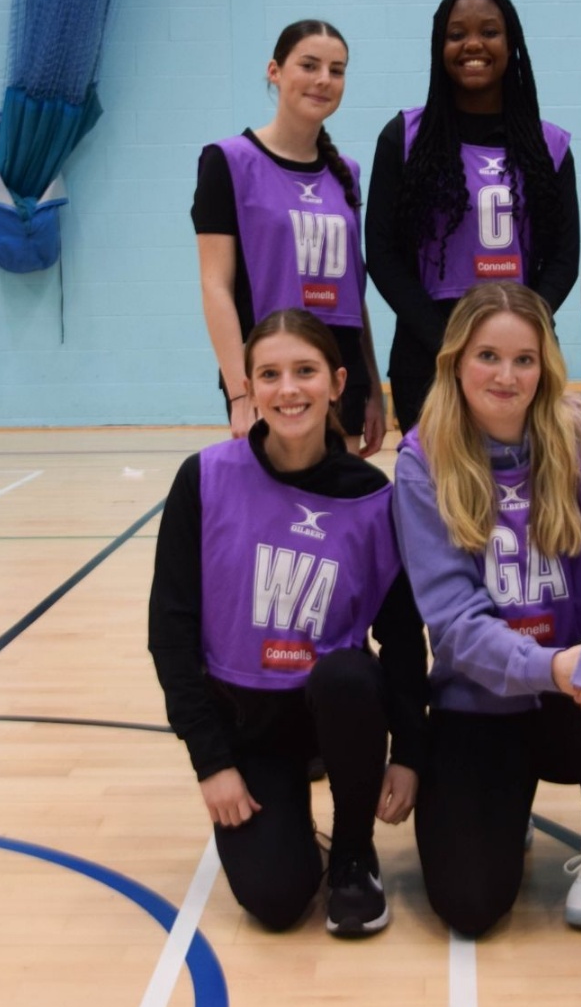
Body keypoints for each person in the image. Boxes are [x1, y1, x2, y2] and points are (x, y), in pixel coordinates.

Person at [393, 282, 581, 936]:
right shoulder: (422, 459)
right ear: (456, 363)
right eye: (488, 357)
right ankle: (505, 802)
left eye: (525, 359)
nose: (507, 375)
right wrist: (551, 667)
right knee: (468, 906)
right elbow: (454, 621)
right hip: (484, 699)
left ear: (546, 365)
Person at [148, 309, 427, 937]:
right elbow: (169, 632)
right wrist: (211, 762)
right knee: (275, 903)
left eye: (305, 371)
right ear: (248, 386)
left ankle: (353, 853)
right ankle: (294, 825)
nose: (288, 389)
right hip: (247, 724)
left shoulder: (372, 498)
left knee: (351, 677)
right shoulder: (205, 479)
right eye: (269, 374)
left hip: (333, 712)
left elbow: (404, 638)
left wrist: (410, 752)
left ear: (336, 381)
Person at [366, 0, 580, 434]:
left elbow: (564, 256)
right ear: (438, 46)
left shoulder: (549, 144)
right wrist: (451, 344)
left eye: (489, 31)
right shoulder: (403, 137)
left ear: (511, 43)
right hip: (429, 351)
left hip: (521, 351)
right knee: (433, 499)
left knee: (522, 497)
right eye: (456, 34)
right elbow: (381, 253)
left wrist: (518, 336)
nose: (473, 45)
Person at [192, 19, 386, 455]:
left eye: (337, 70)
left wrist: (373, 385)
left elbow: (354, 292)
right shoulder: (228, 161)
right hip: (272, 372)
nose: (323, 80)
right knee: (276, 510)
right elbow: (214, 285)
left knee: (336, 508)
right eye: (309, 65)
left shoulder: (347, 174)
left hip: (341, 370)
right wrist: (240, 394)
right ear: (275, 71)